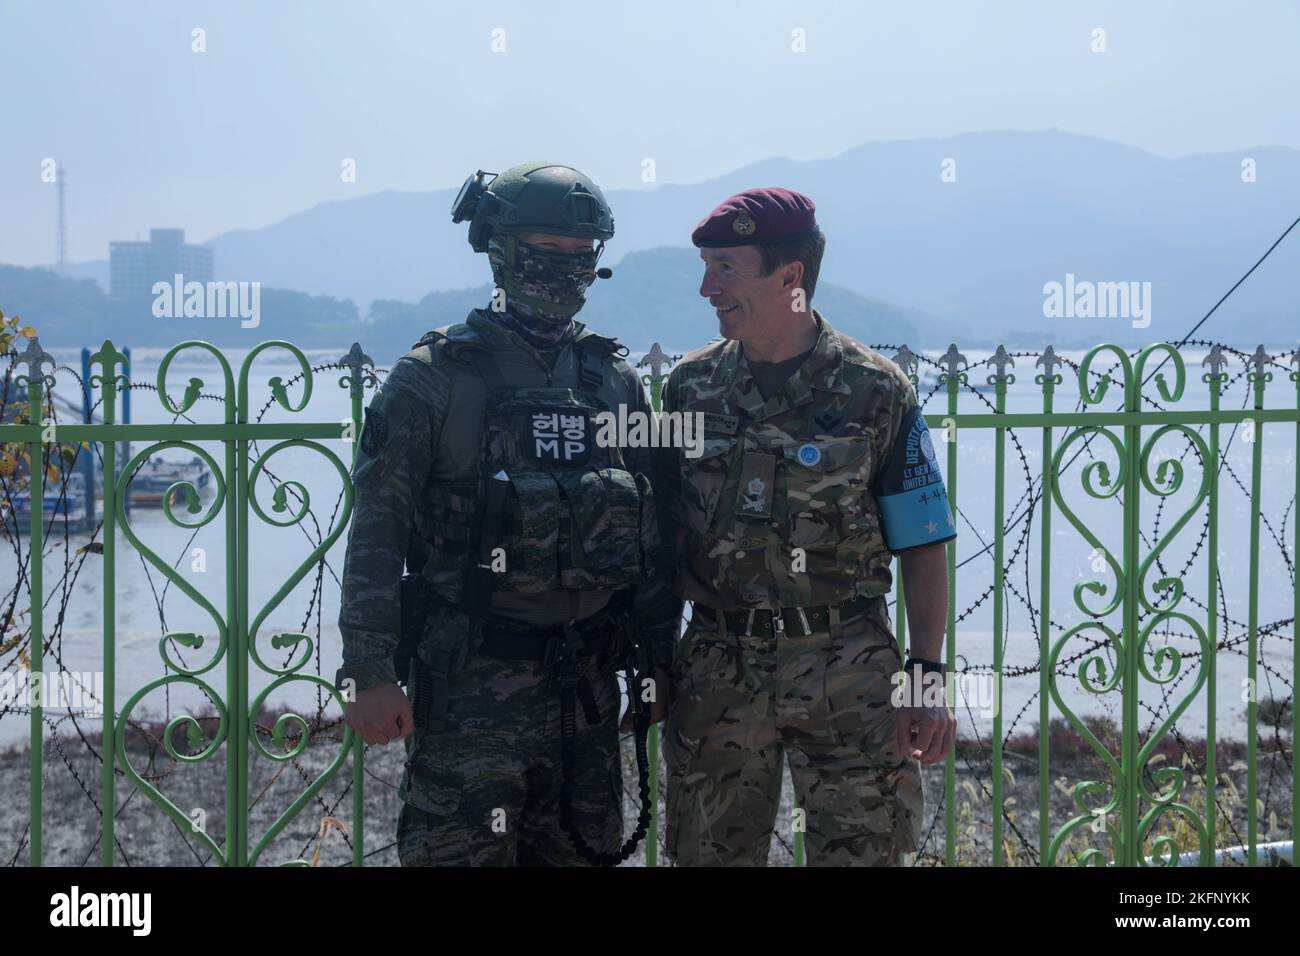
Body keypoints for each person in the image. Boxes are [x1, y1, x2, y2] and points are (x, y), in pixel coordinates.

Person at [335, 161, 678, 866]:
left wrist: (656, 661)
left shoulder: (613, 383)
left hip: (584, 691)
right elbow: (377, 528)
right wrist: (368, 670)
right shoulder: (432, 379)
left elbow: (651, 535)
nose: (564, 272)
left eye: (580, 258)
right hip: (468, 690)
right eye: (545, 254)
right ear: (498, 249)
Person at [659, 187, 956, 866]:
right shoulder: (688, 390)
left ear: (789, 276)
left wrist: (928, 682)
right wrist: (652, 661)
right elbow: (663, 540)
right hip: (717, 671)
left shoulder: (875, 391)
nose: (707, 287)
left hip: (847, 672)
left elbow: (924, 541)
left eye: (726, 267)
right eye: (706, 267)